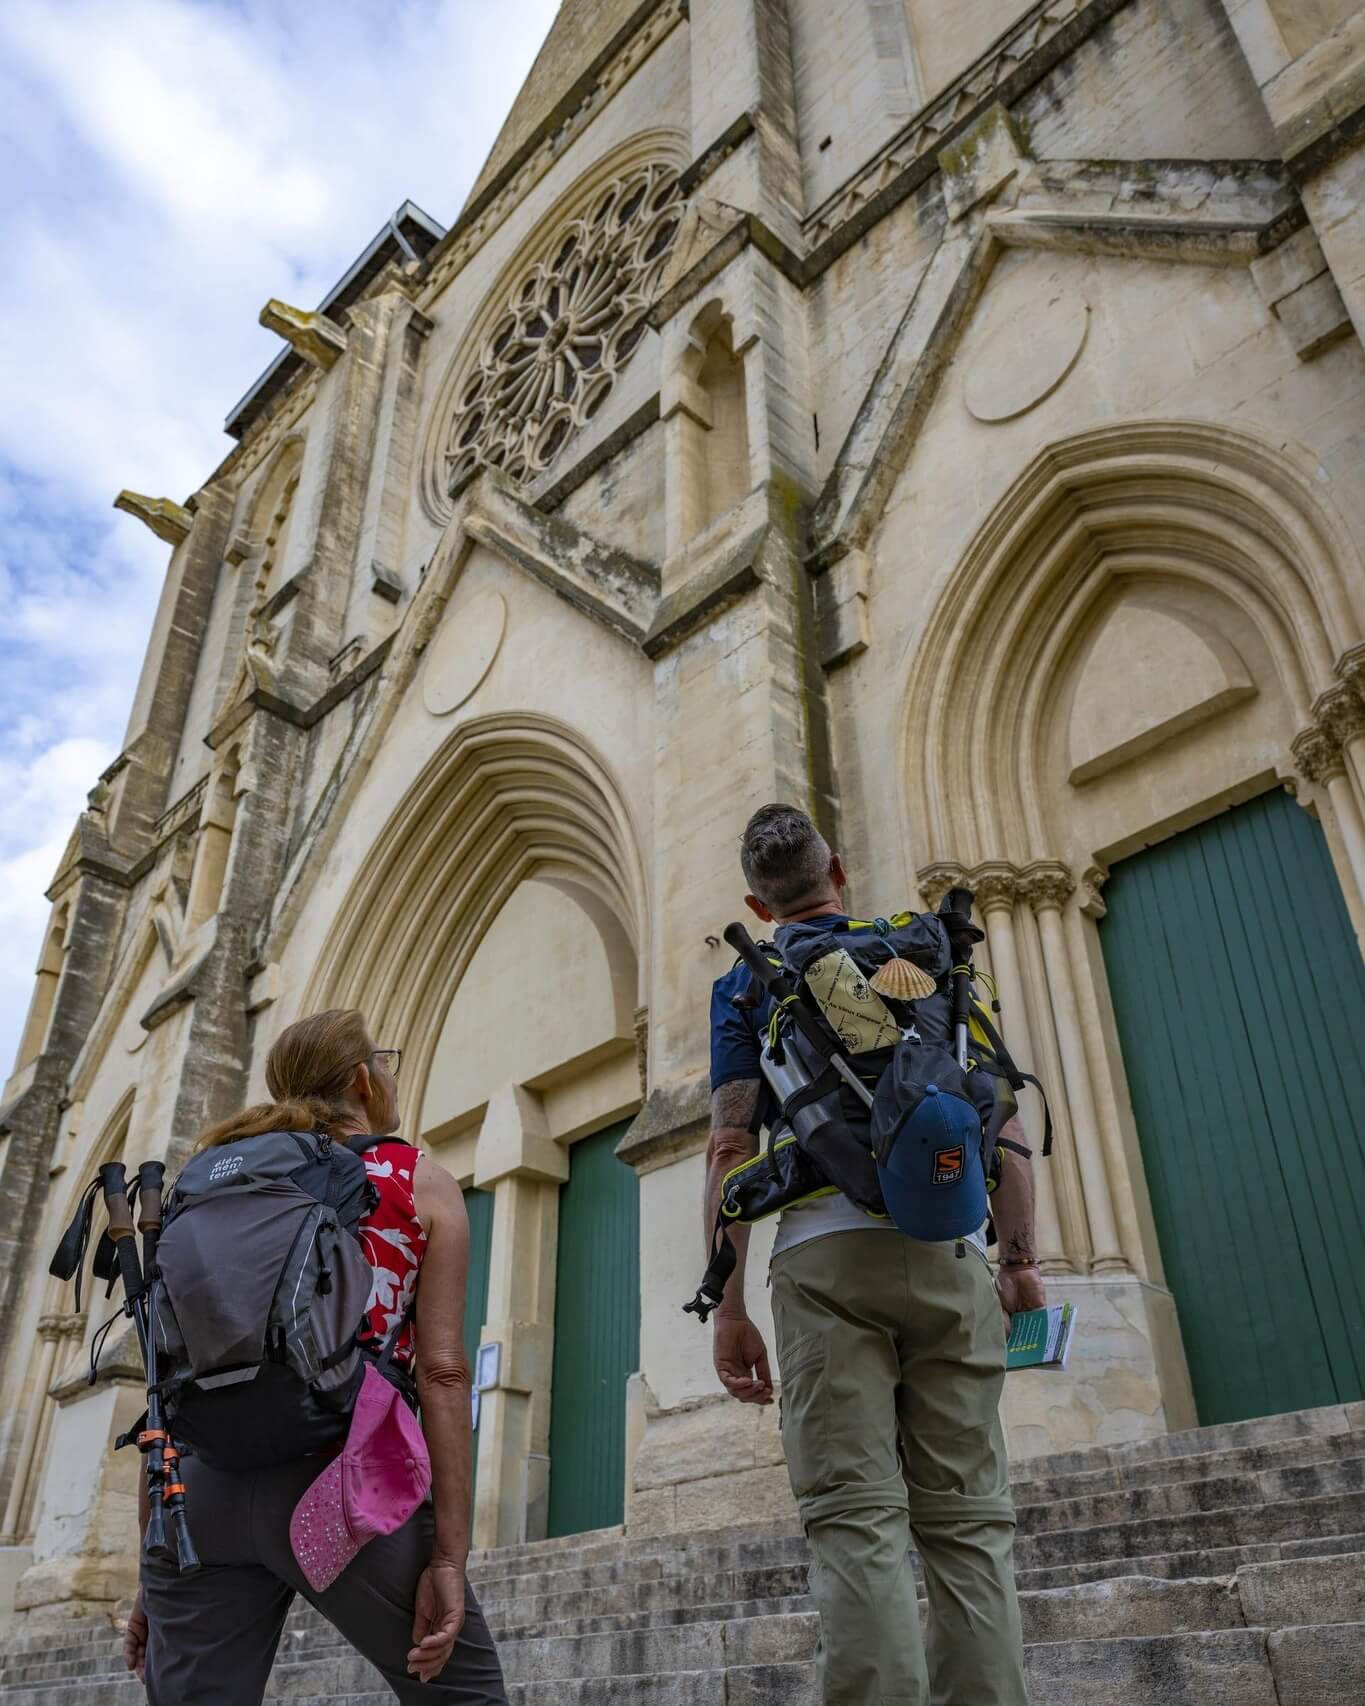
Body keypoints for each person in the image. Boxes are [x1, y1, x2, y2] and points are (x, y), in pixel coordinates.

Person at [706, 805, 1045, 1706]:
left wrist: (728, 1304)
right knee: (969, 1523)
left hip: (822, 1260)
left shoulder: (748, 981)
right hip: (949, 1249)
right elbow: (1000, 1119)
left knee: (855, 1521)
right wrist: (1017, 1261)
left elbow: (729, 1148)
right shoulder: (932, 955)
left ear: (757, 902)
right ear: (840, 872)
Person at [122, 1008, 507, 1706]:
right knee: (464, 1695)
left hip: (202, 1491)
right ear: (364, 1080)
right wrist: (448, 1555)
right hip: (342, 1478)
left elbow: (164, 1377)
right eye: (383, 1061)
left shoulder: (209, 1184)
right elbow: (444, 1372)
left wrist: (156, 1554)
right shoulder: (409, 1175)